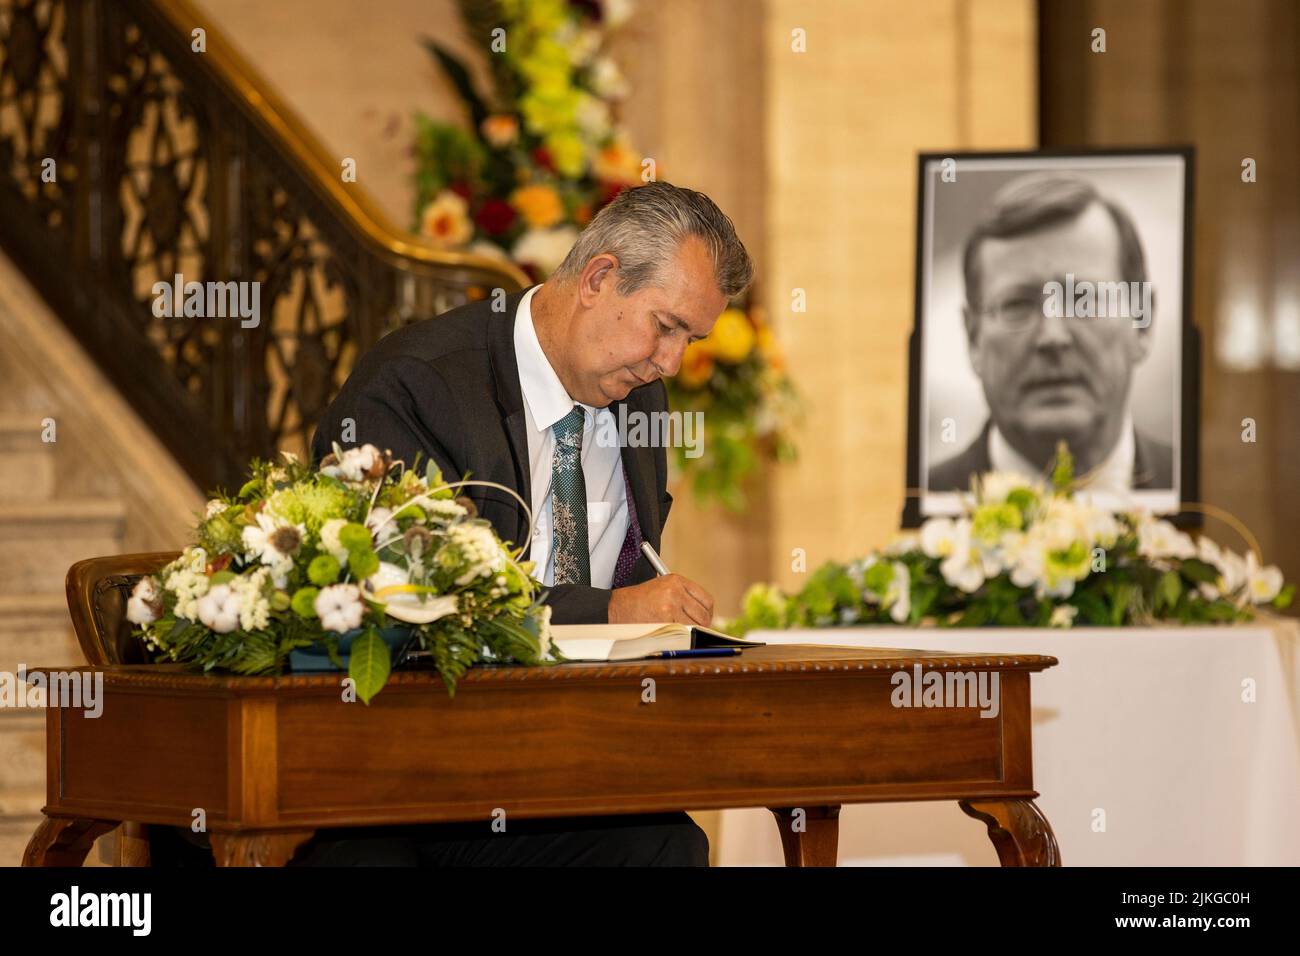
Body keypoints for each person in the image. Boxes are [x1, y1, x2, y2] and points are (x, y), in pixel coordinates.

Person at [283, 181, 752, 865]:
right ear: (599, 278)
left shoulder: (638, 393)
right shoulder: (418, 384)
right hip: (397, 775)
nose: (672, 362)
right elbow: (411, 596)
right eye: (667, 326)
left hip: (557, 762)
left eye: (691, 338)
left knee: (668, 844)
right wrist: (611, 611)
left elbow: (632, 562)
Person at [928, 174, 1173, 493]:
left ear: (1143, 323)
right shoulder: (918, 513)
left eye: (1083, 300)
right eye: (1017, 304)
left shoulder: (1211, 500)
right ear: (973, 338)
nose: (1052, 337)